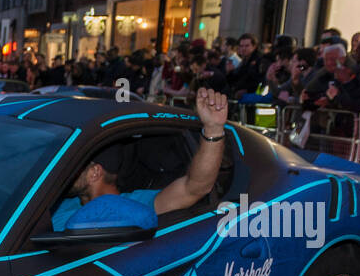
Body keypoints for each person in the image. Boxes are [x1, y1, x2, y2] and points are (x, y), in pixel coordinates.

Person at [49, 89, 230, 231]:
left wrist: (213, 130)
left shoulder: (137, 205)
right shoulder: (59, 203)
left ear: (94, 172)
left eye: (75, 163)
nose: (64, 167)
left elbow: (195, 187)